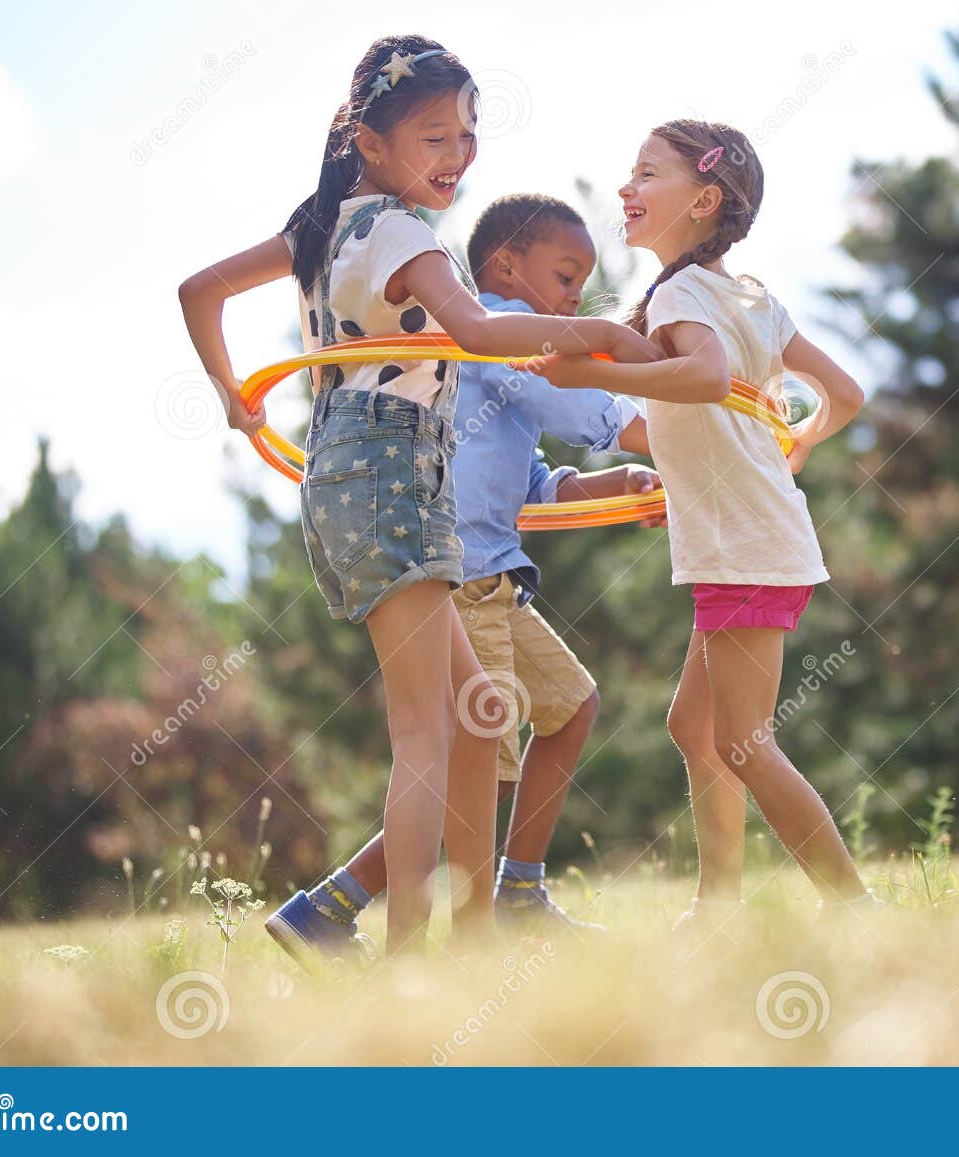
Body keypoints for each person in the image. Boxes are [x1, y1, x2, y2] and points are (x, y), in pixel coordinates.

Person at [177, 36, 657, 963]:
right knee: (428, 732)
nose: (459, 154)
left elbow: (200, 293)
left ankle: (471, 935)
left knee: (476, 720)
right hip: (391, 476)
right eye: (436, 135)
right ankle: (408, 964)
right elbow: (477, 328)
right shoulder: (399, 233)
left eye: (469, 134)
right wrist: (600, 330)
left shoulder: (318, 232)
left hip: (357, 473)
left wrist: (235, 399)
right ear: (367, 138)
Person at [517, 119, 874, 923]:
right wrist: (802, 443)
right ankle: (718, 906)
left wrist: (564, 363)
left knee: (745, 740)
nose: (626, 188)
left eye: (647, 173)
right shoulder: (752, 297)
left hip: (743, 542)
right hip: (759, 533)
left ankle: (855, 903)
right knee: (695, 725)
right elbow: (846, 394)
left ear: (704, 199)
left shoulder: (679, 294)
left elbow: (705, 379)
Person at [332, 193, 663, 932]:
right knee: (470, 762)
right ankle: (347, 905)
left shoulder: (505, 359)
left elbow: (532, 482)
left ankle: (518, 891)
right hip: (462, 577)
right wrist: (678, 418)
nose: (577, 295)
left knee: (571, 708)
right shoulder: (499, 335)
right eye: (566, 275)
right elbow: (587, 413)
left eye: (582, 283)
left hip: (496, 577)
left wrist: (616, 483)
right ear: (507, 266)